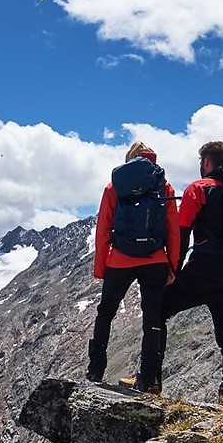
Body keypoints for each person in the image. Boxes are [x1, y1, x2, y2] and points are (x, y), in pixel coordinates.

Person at [151, 140, 223, 402]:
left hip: (203, 271)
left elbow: (182, 234)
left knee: (158, 310)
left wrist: (173, 270)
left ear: (206, 162)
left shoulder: (198, 189)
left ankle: (151, 380)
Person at [87, 142, 180, 393]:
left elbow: (103, 228)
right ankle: (147, 379)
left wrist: (101, 267)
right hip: (155, 261)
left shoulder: (114, 186)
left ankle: (95, 369)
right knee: (152, 318)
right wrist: (172, 265)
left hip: (120, 259)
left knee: (105, 312)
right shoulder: (164, 187)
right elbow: (172, 229)